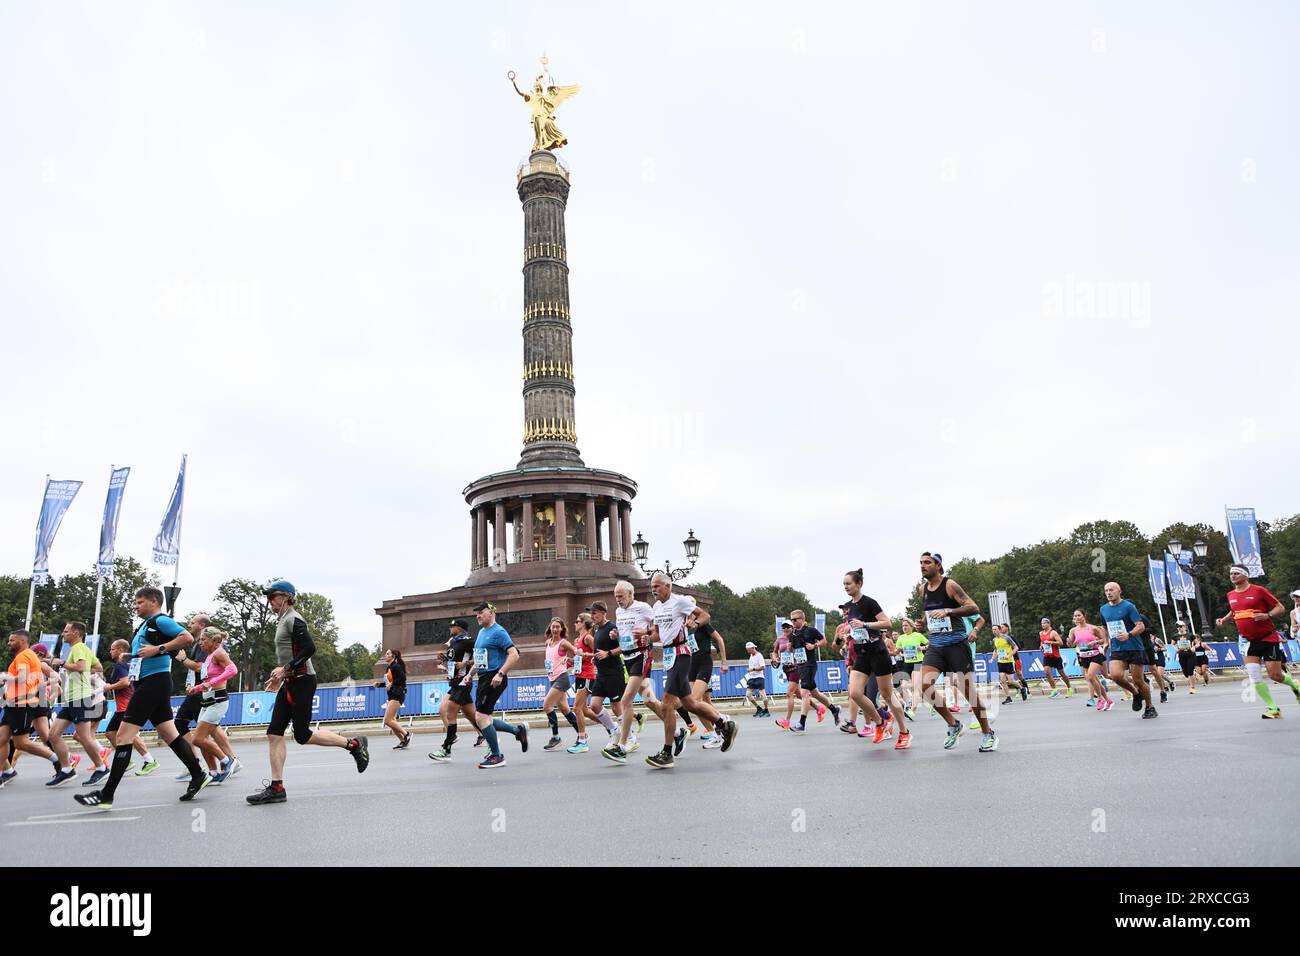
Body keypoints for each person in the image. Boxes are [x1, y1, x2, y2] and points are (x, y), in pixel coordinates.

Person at [74, 588, 211, 810]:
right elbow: (146, 652)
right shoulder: (146, 625)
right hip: (150, 682)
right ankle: (198, 774)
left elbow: (186, 637)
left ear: (154, 601)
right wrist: (132, 656)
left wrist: (159, 648)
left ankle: (106, 795)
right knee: (168, 733)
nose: (135, 606)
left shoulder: (160, 620)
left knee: (123, 735)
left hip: (153, 682)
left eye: (139, 602)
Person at [247, 581, 369, 805]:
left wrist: (285, 670)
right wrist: (281, 677)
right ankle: (277, 787)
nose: (269, 601)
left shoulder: (294, 618)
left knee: (302, 735)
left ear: (286, 597)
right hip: (291, 681)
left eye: (272, 596)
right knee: (274, 733)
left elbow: (310, 648)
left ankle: (353, 745)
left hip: (303, 682)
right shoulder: (282, 619)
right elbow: (289, 654)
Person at [644, 573, 737, 769]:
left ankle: (667, 753)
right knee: (689, 703)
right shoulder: (657, 607)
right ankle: (723, 724)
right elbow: (658, 635)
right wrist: (646, 637)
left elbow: (704, 615)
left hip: (681, 653)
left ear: (668, 586)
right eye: (652, 586)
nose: (654, 589)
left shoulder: (680, 601)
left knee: (667, 704)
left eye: (658, 586)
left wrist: (695, 623)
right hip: (669, 655)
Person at [916, 552, 997, 751]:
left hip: (956, 645)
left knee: (968, 691)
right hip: (936, 645)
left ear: (938, 565)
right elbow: (930, 613)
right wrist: (923, 623)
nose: (923, 566)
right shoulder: (922, 589)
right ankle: (954, 725)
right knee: (925, 686)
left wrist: (949, 611)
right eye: (920, 563)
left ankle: (987, 732)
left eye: (927, 563)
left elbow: (973, 607)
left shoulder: (950, 585)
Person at [836, 569, 907, 749]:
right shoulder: (848, 606)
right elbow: (855, 630)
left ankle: (905, 732)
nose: (846, 587)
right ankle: (880, 722)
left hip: (878, 652)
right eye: (844, 584)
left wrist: (865, 624)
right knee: (855, 693)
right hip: (861, 653)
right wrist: (849, 634)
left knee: (887, 696)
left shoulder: (869, 603)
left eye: (849, 584)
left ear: (858, 584)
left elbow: (887, 623)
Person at [1216, 567, 1299, 719]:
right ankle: (1273, 708)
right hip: (1248, 641)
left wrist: (1267, 615)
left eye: (1236, 573)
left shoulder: (1259, 591)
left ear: (1245, 576)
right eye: (1231, 574)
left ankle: (1295, 685)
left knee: (1275, 675)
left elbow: (1280, 608)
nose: (1233, 576)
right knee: (1254, 676)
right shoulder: (1231, 594)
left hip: (1268, 638)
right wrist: (1225, 619)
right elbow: (1234, 610)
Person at [601, 581, 664, 764]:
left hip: (641, 655)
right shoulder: (619, 612)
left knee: (625, 700)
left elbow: (657, 627)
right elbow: (624, 633)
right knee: (650, 701)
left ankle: (621, 747)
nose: (618, 600)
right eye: (616, 596)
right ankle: (677, 731)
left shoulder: (643, 608)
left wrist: (646, 631)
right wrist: (616, 636)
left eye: (620, 596)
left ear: (630, 594)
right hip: (627, 658)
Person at [464, 602, 528, 769]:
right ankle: (517, 731)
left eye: (481, 612)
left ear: (491, 613)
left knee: (481, 717)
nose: (477, 615)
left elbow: (514, 655)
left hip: (494, 678)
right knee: (485, 718)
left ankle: (496, 755)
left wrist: (500, 673)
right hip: (483, 677)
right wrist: (469, 675)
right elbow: (479, 658)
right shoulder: (481, 632)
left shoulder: (498, 632)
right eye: (476, 613)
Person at [46, 621, 109, 786]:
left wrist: (62, 663)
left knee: (84, 737)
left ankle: (101, 767)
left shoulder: (78, 648)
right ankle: (67, 769)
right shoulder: (84, 649)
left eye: (66, 631)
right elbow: (98, 666)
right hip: (72, 700)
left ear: (76, 633)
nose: (63, 634)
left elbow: (81, 667)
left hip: (80, 698)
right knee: (52, 735)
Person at [0, 630, 64, 788]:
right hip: (15, 703)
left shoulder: (23, 656)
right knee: (1, 740)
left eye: (12, 640)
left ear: (22, 641)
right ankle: (7, 772)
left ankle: (59, 762)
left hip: (22, 704)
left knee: (21, 743)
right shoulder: (28, 655)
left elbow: (21, 679)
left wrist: (4, 677)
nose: (9, 643)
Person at [185, 626, 240, 782]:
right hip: (207, 701)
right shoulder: (209, 656)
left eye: (203, 640)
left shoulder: (219, 653)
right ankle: (213, 773)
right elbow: (206, 682)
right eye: (200, 640)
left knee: (198, 739)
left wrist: (211, 683)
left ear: (214, 641)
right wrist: (195, 689)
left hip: (218, 701)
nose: (200, 643)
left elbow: (232, 670)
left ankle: (227, 760)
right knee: (203, 740)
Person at [171, 613, 219, 780]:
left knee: (203, 734)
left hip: (202, 693)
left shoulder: (204, 645)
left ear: (201, 625)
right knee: (181, 725)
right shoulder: (198, 644)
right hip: (195, 691)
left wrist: (183, 659)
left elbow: (199, 667)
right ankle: (195, 762)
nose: (189, 625)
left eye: (192, 622)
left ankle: (225, 761)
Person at [100, 640, 158, 775]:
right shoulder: (130, 662)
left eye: (112, 649)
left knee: (129, 734)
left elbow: (125, 682)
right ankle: (127, 761)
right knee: (110, 733)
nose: (110, 651)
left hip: (127, 705)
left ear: (120, 650)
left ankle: (150, 761)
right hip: (126, 704)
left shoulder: (121, 664)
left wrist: (109, 687)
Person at [1099, 582, 1156, 719]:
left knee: (1138, 680)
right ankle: (1136, 694)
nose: (1108, 593)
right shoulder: (1103, 609)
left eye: (1111, 590)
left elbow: (1140, 626)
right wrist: (1106, 642)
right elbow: (1105, 627)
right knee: (1116, 675)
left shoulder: (1129, 607)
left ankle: (1150, 707)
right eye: (1106, 590)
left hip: (1134, 647)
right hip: (1117, 649)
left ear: (1119, 591)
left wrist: (1129, 634)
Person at [429, 619, 479, 762]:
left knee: (449, 713)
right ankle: (501, 734)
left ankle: (446, 749)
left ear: (460, 628)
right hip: (455, 682)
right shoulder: (453, 641)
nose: (450, 628)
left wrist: (465, 663)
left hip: (464, 681)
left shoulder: (469, 641)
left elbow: (481, 658)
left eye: (453, 626)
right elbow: (453, 660)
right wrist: (443, 659)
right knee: (475, 717)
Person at [788, 609, 841, 734]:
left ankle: (802, 723)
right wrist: (789, 654)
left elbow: (824, 641)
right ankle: (834, 709)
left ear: (802, 619)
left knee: (804, 693)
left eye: (795, 620)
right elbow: (794, 650)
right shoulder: (793, 634)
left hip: (810, 664)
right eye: (791, 620)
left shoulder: (811, 630)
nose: (793, 622)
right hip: (800, 665)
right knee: (815, 693)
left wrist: (814, 646)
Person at [583, 602, 625, 744]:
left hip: (613, 672)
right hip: (601, 673)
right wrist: (595, 658)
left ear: (603, 612)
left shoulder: (612, 627)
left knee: (616, 706)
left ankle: (629, 738)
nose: (592, 616)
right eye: (591, 613)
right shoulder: (596, 629)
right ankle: (614, 730)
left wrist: (608, 653)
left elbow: (624, 646)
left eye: (595, 613)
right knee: (594, 705)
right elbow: (598, 648)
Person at [688, 608, 728, 749]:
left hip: (704, 662)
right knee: (693, 704)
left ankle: (717, 727)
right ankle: (718, 723)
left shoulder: (703, 623)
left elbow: (719, 639)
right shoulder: (685, 627)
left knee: (696, 701)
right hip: (691, 665)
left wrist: (723, 662)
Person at [540, 618, 580, 750]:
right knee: (564, 709)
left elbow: (577, 652)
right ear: (550, 628)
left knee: (547, 705)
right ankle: (582, 734)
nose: (555, 629)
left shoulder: (563, 643)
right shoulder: (547, 643)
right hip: (552, 678)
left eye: (558, 627)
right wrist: (565, 660)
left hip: (562, 678)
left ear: (562, 629)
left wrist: (571, 663)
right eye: (553, 627)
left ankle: (556, 738)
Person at [1069, 609, 1112, 710]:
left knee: (1091, 676)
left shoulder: (1093, 628)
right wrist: (1069, 641)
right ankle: (1108, 700)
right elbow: (1072, 644)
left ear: (1084, 616)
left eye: (1079, 615)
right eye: (1075, 616)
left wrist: (1094, 643)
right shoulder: (1073, 630)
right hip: (1084, 656)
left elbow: (1104, 640)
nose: (1076, 618)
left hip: (1096, 654)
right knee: (1093, 679)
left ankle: (1100, 699)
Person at [373, 649, 411, 749]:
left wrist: (392, 684)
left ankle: (406, 734)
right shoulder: (389, 668)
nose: (385, 655)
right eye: (386, 653)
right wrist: (379, 685)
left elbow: (403, 678)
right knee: (392, 721)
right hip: (392, 695)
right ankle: (403, 741)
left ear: (393, 656)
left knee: (387, 720)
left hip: (397, 694)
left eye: (388, 654)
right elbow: (389, 683)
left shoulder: (396, 666)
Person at [771, 621, 803, 731]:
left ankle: (787, 721)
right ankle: (820, 708)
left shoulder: (796, 637)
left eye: (788, 627)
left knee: (789, 693)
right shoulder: (779, 639)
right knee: (800, 695)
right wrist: (776, 658)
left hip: (796, 668)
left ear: (792, 627)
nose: (786, 629)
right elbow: (775, 652)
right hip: (786, 669)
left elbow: (801, 652)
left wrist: (793, 650)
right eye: (784, 627)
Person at [894, 619, 926, 718]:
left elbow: (930, 644)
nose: (904, 627)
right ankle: (913, 701)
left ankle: (912, 711)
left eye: (906, 625)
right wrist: (898, 650)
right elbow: (896, 651)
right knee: (903, 686)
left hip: (917, 662)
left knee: (915, 687)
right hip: (907, 663)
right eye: (903, 626)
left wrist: (922, 648)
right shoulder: (901, 638)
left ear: (911, 626)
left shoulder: (918, 635)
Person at [993, 625, 1028, 704]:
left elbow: (1016, 647)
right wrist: (992, 658)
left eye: (995, 629)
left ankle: (1022, 689)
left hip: (1009, 662)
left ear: (999, 630)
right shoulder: (994, 639)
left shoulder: (1007, 638)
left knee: (1011, 681)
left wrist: (1009, 655)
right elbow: (995, 650)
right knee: (1002, 680)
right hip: (1000, 662)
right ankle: (1008, 698)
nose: (994, 631)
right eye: (993, 629)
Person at [1038, 618, 1073, 698]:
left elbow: (1061, 643)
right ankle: (1054, 690)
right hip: (1047, 656)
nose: (1043, 625)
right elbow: (1042, 642)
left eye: (1044, 623)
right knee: (1047, 672)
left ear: (1049, 624)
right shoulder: (1041, 633)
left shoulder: (1053, 633)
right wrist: (1041, 646)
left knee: (1062, 673)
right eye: (1042, 623)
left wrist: (1051, 642)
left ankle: (1069, 688)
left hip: (1055, 656)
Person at [743, 642, 771, 717]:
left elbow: (763, 667)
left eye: (748, 650)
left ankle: (766, 710)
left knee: (763, 695)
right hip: (752, 678)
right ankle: (759, 708)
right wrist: (751, 670)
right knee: (748, 695)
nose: (747, 651)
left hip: (759, 677)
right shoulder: (751, 656)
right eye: (747, 650)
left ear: (753, 648)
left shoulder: (759, 655)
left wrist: (752, 669)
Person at [1173, 622, 1198, 693]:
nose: (1179, 628)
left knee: (1190, 671)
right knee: (1185, 673)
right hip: (1182, 655)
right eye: (1177, 627)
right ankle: (1194, 674)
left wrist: (1194, 647)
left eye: (1180, 626)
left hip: (1190, 654)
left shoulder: (1190, 635)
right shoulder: (1175, 636)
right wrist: (1176, 650)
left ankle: (1192, 687)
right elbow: (1172, 644)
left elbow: (1197, 643)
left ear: (1184, 626)